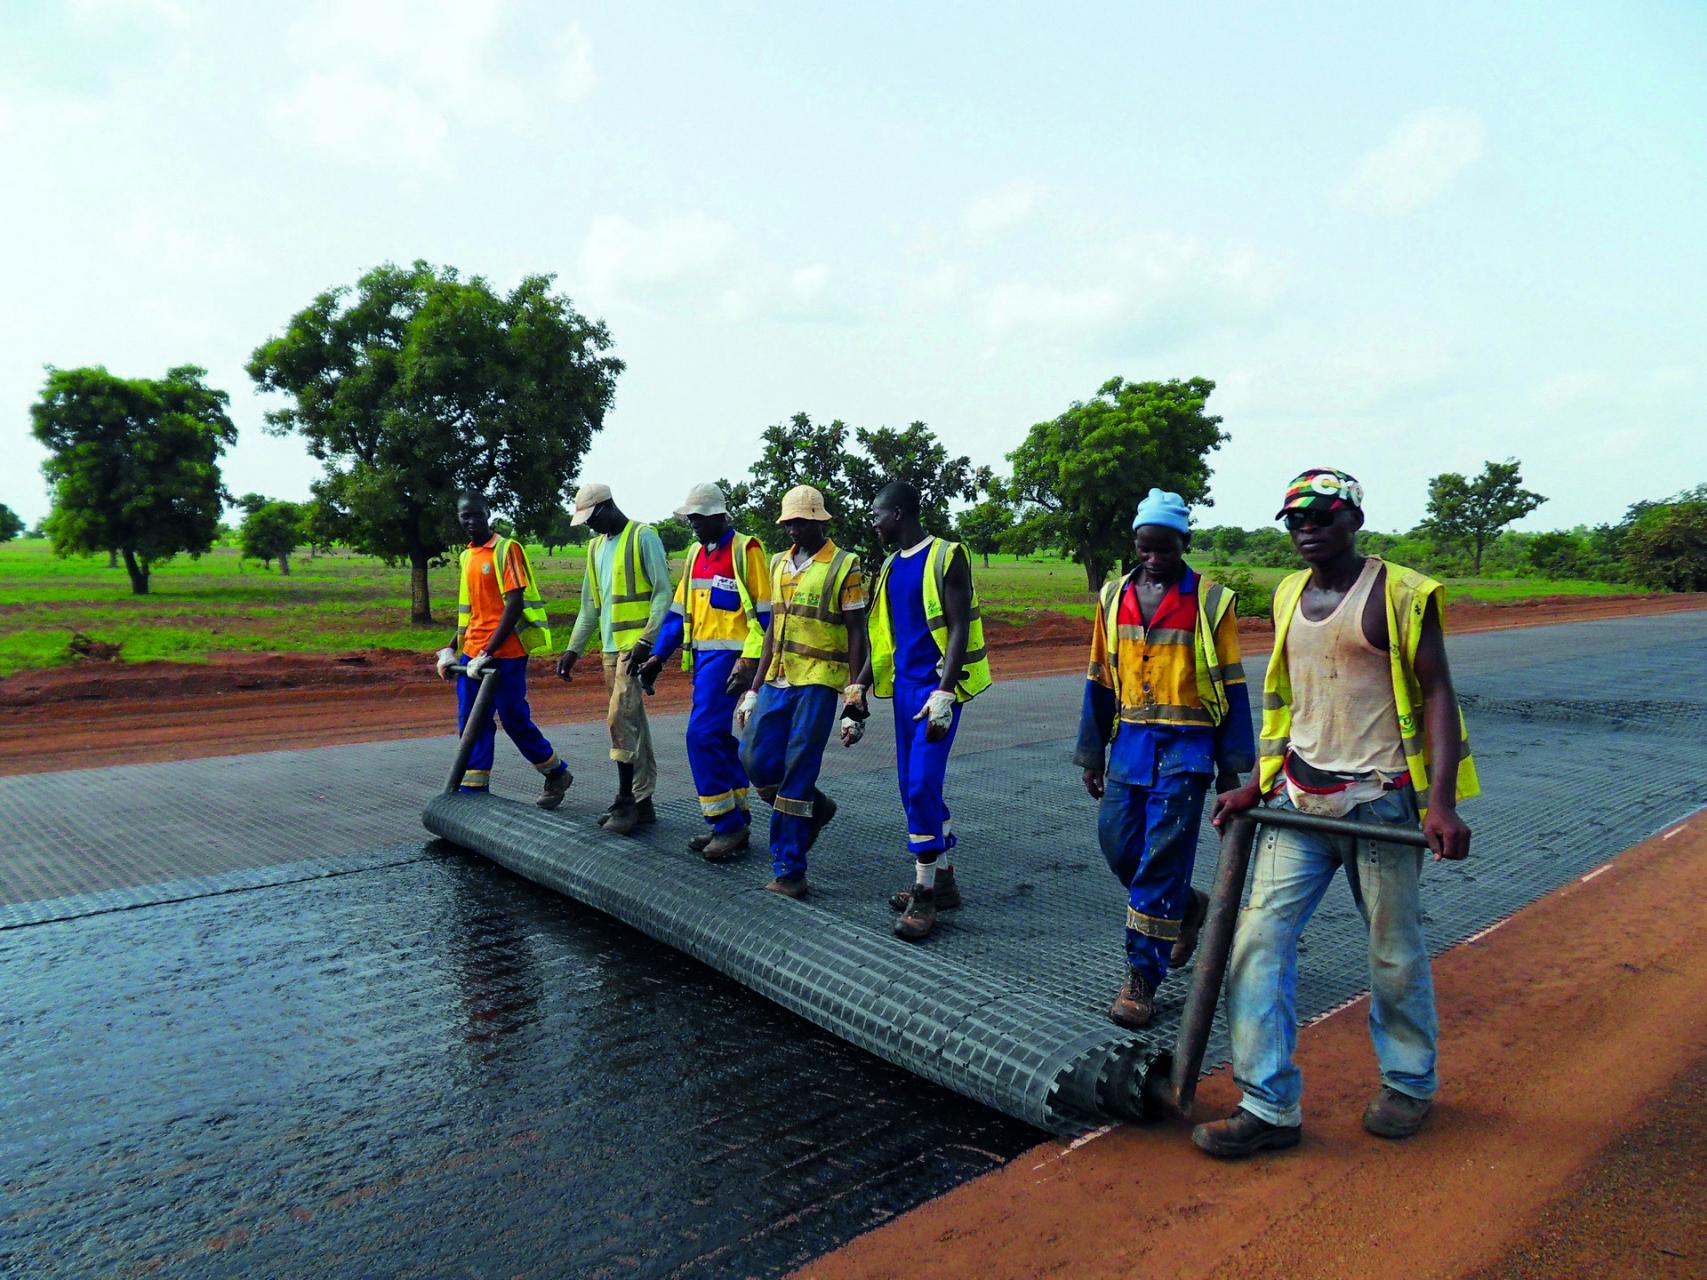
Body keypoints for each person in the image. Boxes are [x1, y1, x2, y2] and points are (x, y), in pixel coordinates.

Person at [1192, 468, 1477, 1160]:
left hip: (1376, 803)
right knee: (1256, 944)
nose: (1305, 528)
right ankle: (1268, 1103)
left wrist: (1438, 802)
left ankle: (1408, 1082)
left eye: (1320, 516)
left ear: (1353, 518)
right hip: (1297, 801)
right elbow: (1290, 702)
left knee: (1392, 949)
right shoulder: (1288, 592)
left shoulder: (1399, 595)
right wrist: (1256, 787)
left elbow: (1437, 692)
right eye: (1293, 519)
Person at [1073, 488, 1254, 1027]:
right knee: (1119, 846)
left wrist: (1229, 769)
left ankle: (1142, 978)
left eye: (1164, 548)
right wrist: (1092, 753)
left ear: (1184, 542)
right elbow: (1100, 676)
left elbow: (1231, 685)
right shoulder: (1113, 596)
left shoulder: (1211, 601)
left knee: (1159, 861)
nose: (1153, 559)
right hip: (1128, 742)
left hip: (1187, 749)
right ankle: (1188, 907)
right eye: (1144, 548)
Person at [853, 481, 991, 941]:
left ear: (899, 514)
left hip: (935, 694)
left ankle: (924, 894)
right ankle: (945, 880)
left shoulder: (947, 556)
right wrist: (858, 692)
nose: (873, 522)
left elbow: (957, 628)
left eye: (878, 514)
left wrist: (945, 693)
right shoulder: (890, 566)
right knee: (912, 788)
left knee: (921, 786)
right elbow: (885, 640)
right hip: (905, 692)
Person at [736, 485, 869, 898]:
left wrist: (853, 697)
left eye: (800, 522)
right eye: (789, 522)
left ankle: (790, 870)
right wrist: (754, 687)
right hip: (777, 678)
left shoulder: (846, 565)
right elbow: (774, 628)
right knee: (754, 759)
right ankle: (818, 807)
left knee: (797, 769)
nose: (793, 529)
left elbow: (857, 633)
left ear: (819, 521)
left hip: (818, 682)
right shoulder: (777, 564)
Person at [640, 483, 773, 861]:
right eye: (690, 519)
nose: (692, 525)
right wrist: (658, 656)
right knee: (715, 736)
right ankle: (736, 814)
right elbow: (679, 613)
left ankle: (726, 826)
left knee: (700, 736)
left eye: (697, 518)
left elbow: (765, 615)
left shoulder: (747, 550)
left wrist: (749, 662)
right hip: (703, 662)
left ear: (718, 516)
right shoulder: (697, 553)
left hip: (731, 660)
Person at [435, 490, 571, 807]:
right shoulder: (467, 557)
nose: (470, 521)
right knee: (472, 720)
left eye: (476, 514)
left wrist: (489, 652)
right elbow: (468, 611)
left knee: (512, 717)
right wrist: (451, 648)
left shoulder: (506, 550)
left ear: (488, 513)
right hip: (471, 654)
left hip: (505, 654)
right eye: (464, 515)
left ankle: (556, 773)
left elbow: (514, 605)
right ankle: (473, 790)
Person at [555, 483, 673, 835]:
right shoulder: (594, 548)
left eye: (592, 517)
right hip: (610, 650)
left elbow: (664, 592)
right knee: (633, 724)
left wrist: (647, 640)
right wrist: (573, 649)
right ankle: (643, 800)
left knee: (618, 721)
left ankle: (625, 799)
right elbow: (590, 606)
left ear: (608, 506)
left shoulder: (643, 537)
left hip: (633, 650)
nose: (590, 526)